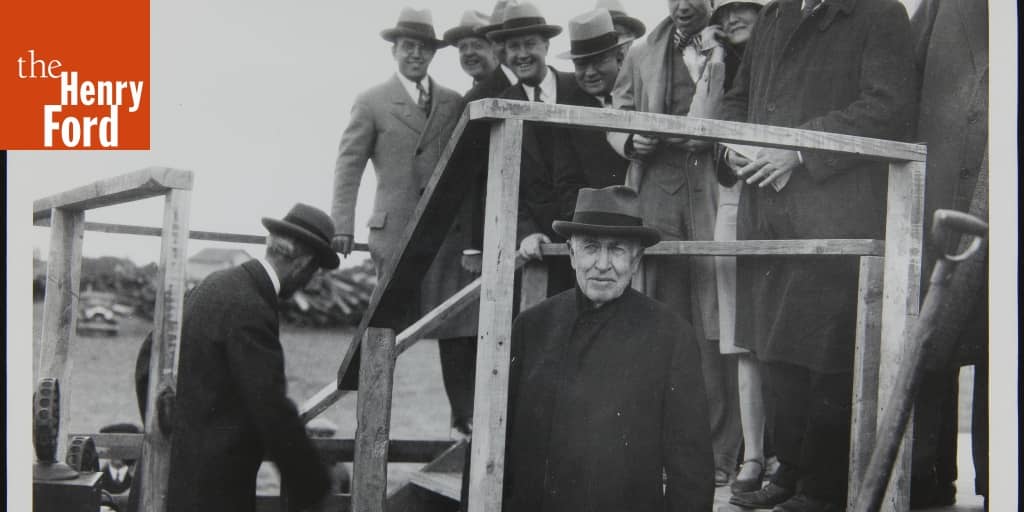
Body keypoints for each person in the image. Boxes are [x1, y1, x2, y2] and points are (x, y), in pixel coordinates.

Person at [719, 0, 918, 509]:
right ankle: (791, 474)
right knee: (774, 348)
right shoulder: (775, 14)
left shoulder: (879, 14)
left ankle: (825, 487)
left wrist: (800, 152)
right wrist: (731, 145)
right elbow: (736, 99)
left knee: (824, 352)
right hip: (766, 212)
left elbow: (889, 107)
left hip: (835, 214)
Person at [502, 185, 714, 512]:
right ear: (572, 255)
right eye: (590, 248)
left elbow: (692, 467)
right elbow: (497, 441)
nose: (602, 264)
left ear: (636, 259)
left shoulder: (670, 335)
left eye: (616, 249)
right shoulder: (532, 326)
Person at [607, 0, 741, 487]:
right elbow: (617, 111)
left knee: (716, 322)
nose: (684, 5)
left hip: (711, 191)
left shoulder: (730, 42)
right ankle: (658, 449)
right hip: (656, 194)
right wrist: (628, 140)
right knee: (657, 315)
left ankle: (722, 451)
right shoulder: (642, 49)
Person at [330, 7, 478, 438]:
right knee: (385, 326)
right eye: (408, 47)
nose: (416, 54)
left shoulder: (452, 101)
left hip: (444, 236)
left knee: (458, 324)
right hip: (394, 233)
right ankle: (372, 417)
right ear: (394, 50)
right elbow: (349, 165)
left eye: (424, 48)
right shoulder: (372, 100)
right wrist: (342, 222)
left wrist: (470, 236)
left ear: (434, 54)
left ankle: (463, 418)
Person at [162, 203, 339, 511]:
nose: (310, 282)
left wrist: (169, 419)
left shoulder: (214, 283)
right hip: (217, 492)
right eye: (314, 272)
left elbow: (151, 351)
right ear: (303, 264)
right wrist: (313, 482)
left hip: (183, 477)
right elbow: (269, 402)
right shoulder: (252, 307)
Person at [908, 0, 988, 507]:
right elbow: (906, 79)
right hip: (941, 203)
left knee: (1003, 347)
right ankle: (927, 474)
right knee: (933, 337)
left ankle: (999, 477)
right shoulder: (938, 7)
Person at [688, 0, 769, 495]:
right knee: (741, 339)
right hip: (736, 199)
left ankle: (779, 453)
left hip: (787, 197)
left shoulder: (790, 56)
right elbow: (702, 133)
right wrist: (715, 62)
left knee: (780, 335)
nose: (735, 17)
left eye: (747, 8)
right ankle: (753, 455)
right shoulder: (718, 64)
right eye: (727, 10)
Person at [486, 2, 588, 294]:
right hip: (539, 247)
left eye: (530, 43)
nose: (522, 54)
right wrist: (526, 232)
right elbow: (501, 182)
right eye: (513, 46)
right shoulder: (501, 105)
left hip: (589, 236)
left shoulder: (580, 90)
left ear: (546, 43)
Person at [555, 8, 633, 190]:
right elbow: (566, 182)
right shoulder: (567, 111)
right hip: (596, 215)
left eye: (599, 61)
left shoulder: (640, 94)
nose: (590, 73)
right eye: (581, 64)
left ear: (619, 57)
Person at [443, 10, 500, 88]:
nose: (468, 52)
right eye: (463, 47)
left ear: (496, 51)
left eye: (477, 46)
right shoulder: (466, 98)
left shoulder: (516, 93)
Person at [97, 423, 141, 496]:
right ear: (107, 448)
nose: (117, 452)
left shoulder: (139, 479)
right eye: (113, 447)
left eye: (122, 448)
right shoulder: (98, 479)